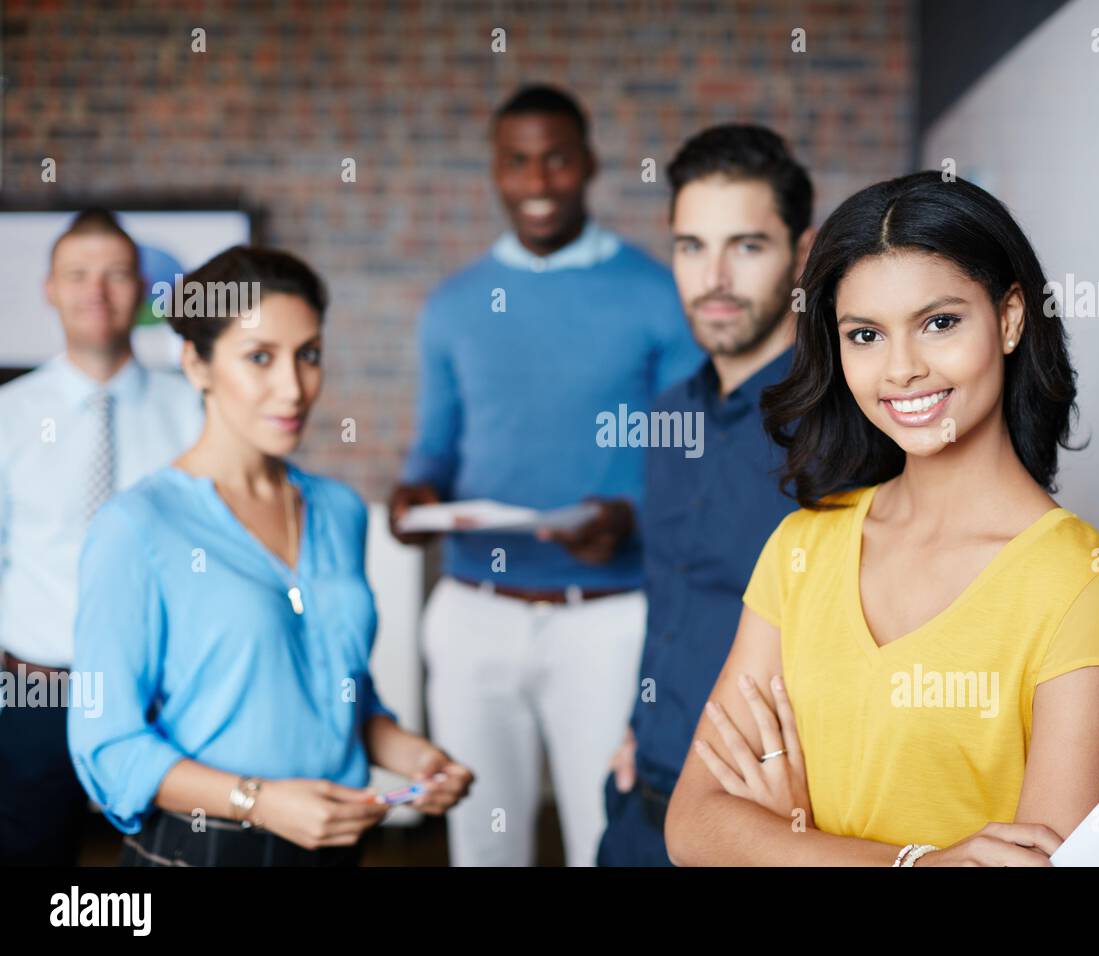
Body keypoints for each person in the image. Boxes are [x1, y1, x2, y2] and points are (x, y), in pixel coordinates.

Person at [664, 171, 1099, 866]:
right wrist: (916, 863)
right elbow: (693, 825)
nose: (902, 369)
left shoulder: (1077, 577)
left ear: (1008, 319)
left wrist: (793, 835)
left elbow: (1040, 864)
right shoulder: (802, 546)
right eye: (865, 335)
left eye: (939, 323)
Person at [68, 245, 473, 866]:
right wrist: (259, 801)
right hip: (200, 852)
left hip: (334, 849)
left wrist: (415, 755)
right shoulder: (137, 527)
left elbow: (338, 693)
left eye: (308, 355)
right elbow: (108, 743)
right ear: (197, 365)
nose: (294, 388)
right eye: (260, 358)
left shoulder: (337, 511)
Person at [388, 83, 702, 867]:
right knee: (482, 841)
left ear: (589, 164)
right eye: (518, 163)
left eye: (556, 160)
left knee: (610, 836)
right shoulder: (454, 306)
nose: (537, 183)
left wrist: (629, 513)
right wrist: (416, 491)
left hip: (606, 616)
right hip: (473, 613)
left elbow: (690, 450)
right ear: (495, 172)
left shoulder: (659, 294)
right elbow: (435, 445)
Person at [597, 125, 813, 866]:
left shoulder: (844, 431)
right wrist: (637, 727)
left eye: (747, 246)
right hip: (639, 797)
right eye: (691, 246)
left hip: (756, 827)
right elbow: (673, 596)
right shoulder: (667, 415)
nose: (713, 276)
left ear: (802, 254)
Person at [0, 209, 204, 865]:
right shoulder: (10, 416)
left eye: (116, 274)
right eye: (78, 274)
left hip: (169, 699)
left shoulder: (197, 412)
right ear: (50, 289)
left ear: (142, 289)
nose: (97, 291)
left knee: (171, 860)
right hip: (37, 694)